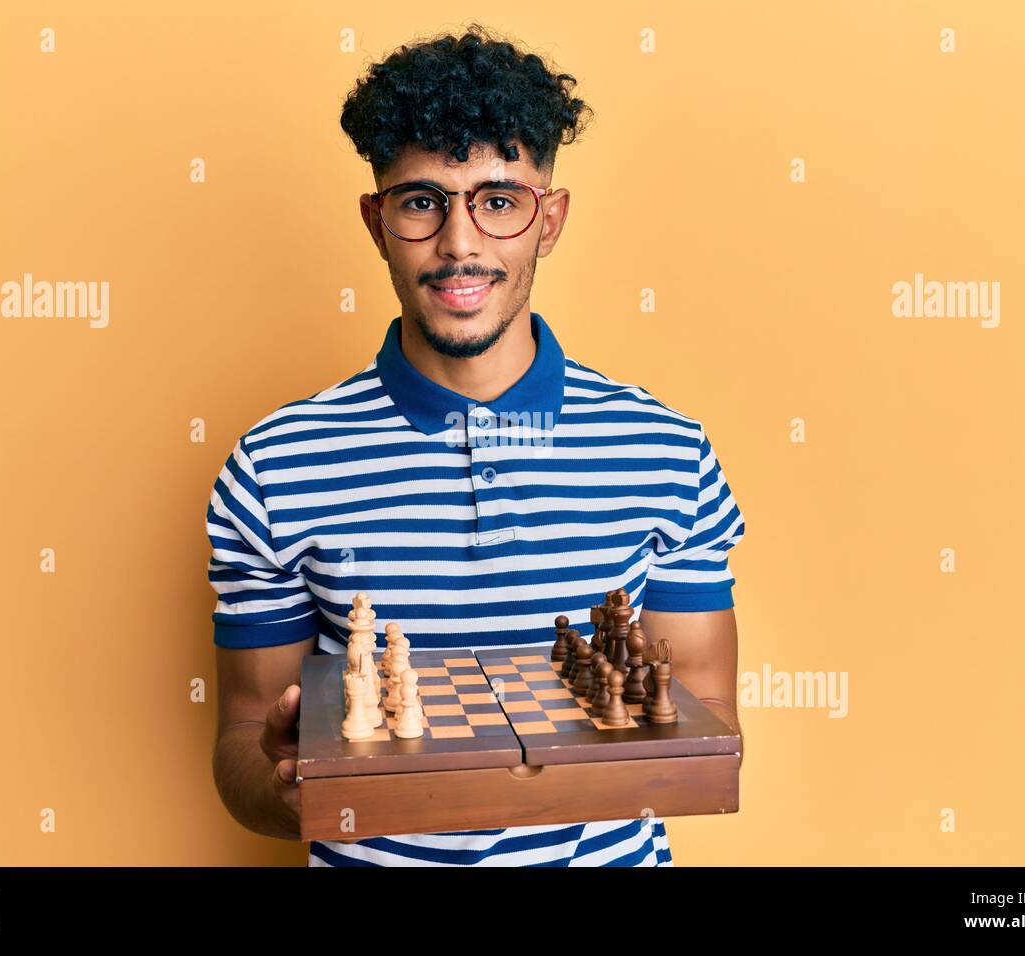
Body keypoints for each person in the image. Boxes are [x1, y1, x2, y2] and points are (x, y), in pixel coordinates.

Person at [207, 23, 746, 866]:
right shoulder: (275, 468)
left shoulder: (667, 453)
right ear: (376, 220)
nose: (460, 243)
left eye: (499, 200)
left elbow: (704, 724)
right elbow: (243, 740)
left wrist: (519, 772)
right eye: (422, 201)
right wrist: (287, 782)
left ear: (550, 219)